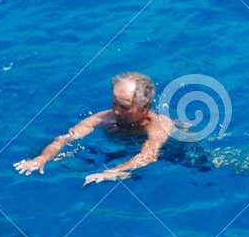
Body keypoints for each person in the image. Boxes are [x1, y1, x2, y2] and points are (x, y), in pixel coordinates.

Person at [13, 73, 174, 186]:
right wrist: (42, 158)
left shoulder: (158, 126)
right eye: (114, 103)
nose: (116, 111)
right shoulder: (103, 118)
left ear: (145, 107)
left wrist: (111, 172)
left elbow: (148, 156)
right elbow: (65, 139)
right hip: (123, 149)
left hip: (170, 151)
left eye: (124, 107)